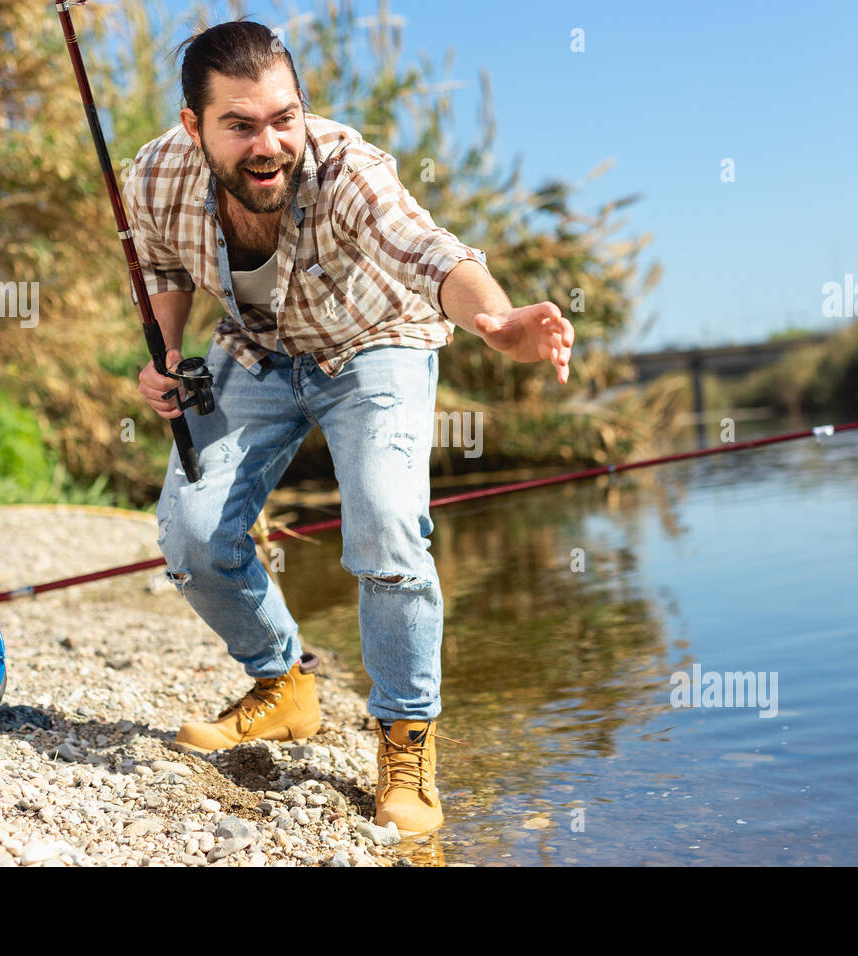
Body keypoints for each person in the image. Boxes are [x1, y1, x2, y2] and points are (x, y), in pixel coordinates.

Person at [123, 17, 574, 836]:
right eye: (242, 125)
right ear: (194, 127)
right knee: (190, 535)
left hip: (376, 344)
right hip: (257, 352)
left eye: (284, 117)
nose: (270, 144)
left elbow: (431, 252)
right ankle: (283, 681)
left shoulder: (349, 171)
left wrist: (498, 321)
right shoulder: (152, 177)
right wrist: (165, 354)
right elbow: (157, 263)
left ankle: (405, 742)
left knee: (387, 527)